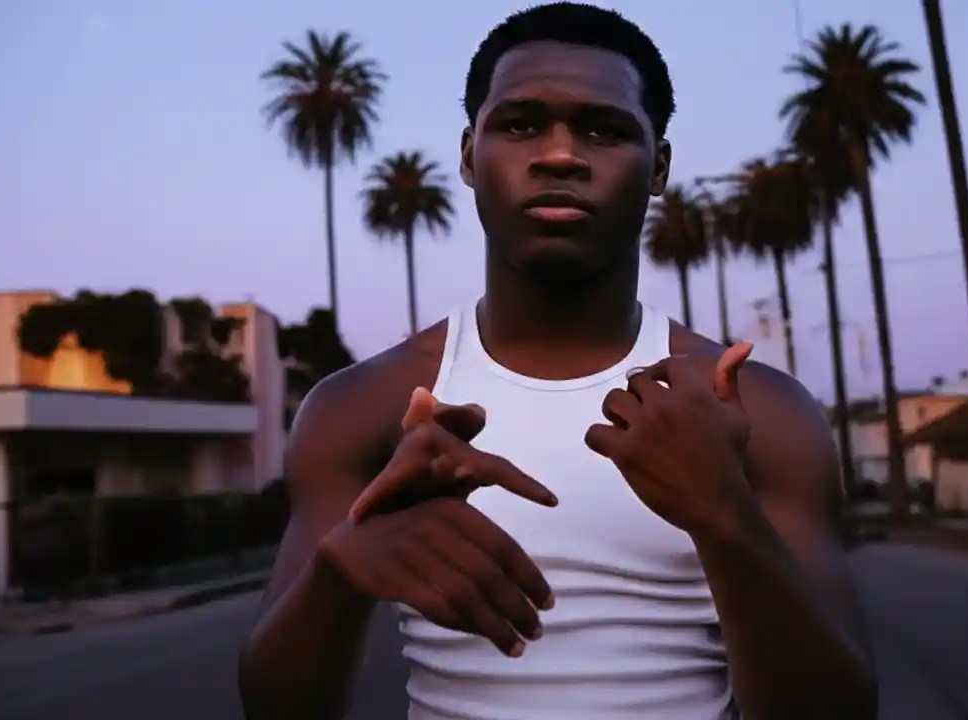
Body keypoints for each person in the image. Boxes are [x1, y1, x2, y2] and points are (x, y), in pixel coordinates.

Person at [238, 3, 876, 718]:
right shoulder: (364, 404)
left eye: (605, 129)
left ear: (658, 165)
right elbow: (275, 709)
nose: (561, 154)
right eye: (520, 124)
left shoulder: (755, 408)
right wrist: (338, 575)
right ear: (469, 156)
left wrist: (724, 518)